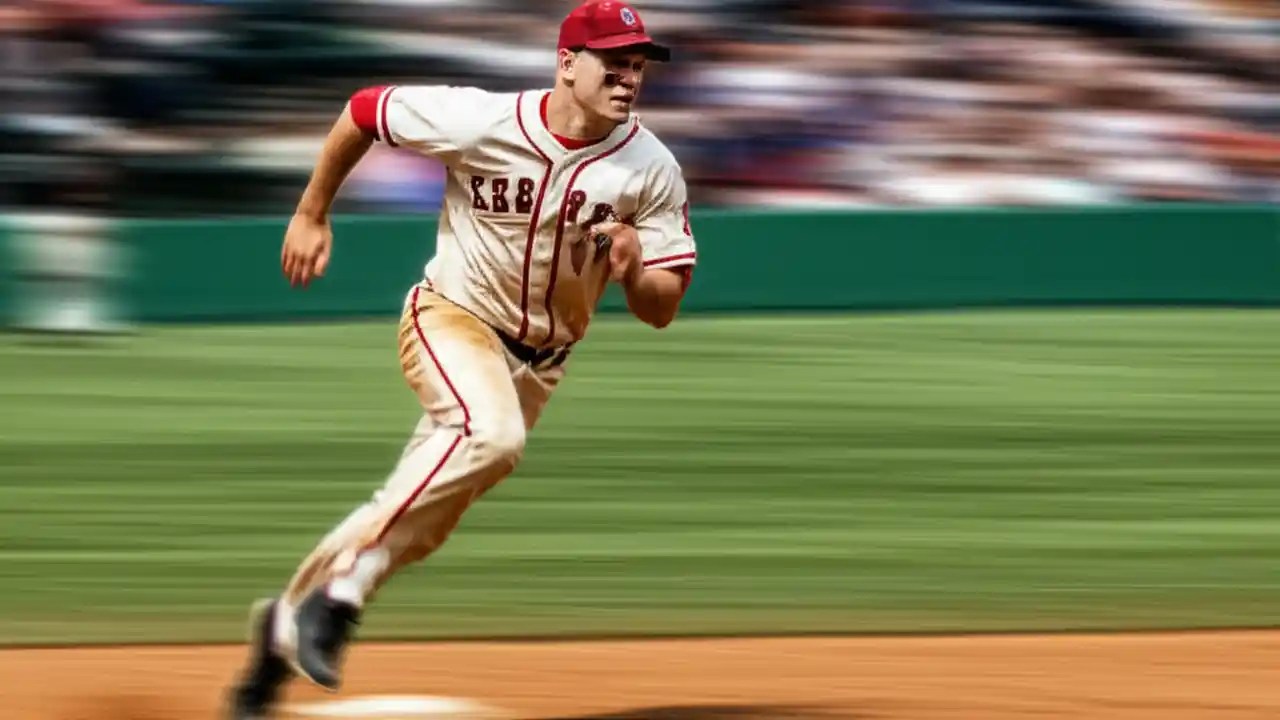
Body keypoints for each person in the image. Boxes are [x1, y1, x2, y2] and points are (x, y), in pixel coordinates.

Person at [225, 2, 697, 717]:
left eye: (637, 65)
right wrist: (313, 211)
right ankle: (343, 595)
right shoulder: (482, 122)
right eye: (613, 63)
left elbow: (660, 308)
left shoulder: (651, 168)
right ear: (567, 63)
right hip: (452, 319)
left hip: (542, 364)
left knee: (420, 517)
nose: (628, 78)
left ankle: (284, 625)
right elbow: (365, 110)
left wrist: (633, 269)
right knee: (492, 438)